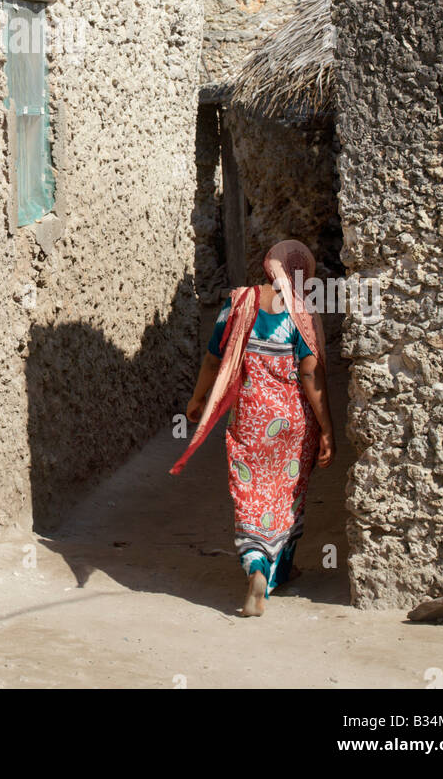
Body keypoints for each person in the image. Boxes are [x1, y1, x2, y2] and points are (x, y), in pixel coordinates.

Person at [170, 239, 334, 617]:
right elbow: (311, 374)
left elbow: (214, 358)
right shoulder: (302, 311)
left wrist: (198, 400)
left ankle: (257, 568)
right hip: (294, 426)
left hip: (249, 422)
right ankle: (283, 568)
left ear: (268, 267)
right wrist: (327, 429)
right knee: (287, 495)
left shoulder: (238, 302)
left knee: (251, 496)